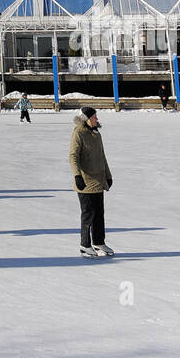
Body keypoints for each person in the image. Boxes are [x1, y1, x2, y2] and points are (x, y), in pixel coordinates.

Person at [68, 106, 114, 257]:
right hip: (85, 181)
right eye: (94, 117)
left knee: (99, 214)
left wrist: (108, 175)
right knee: (88, 214)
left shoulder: (96, 134)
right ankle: (85, 245)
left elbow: (102, 156)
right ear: (86, 119)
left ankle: (99, 242)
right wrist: (77, 176)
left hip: (98, 181)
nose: (97, 119)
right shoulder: (78, 133)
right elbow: (73, 157)